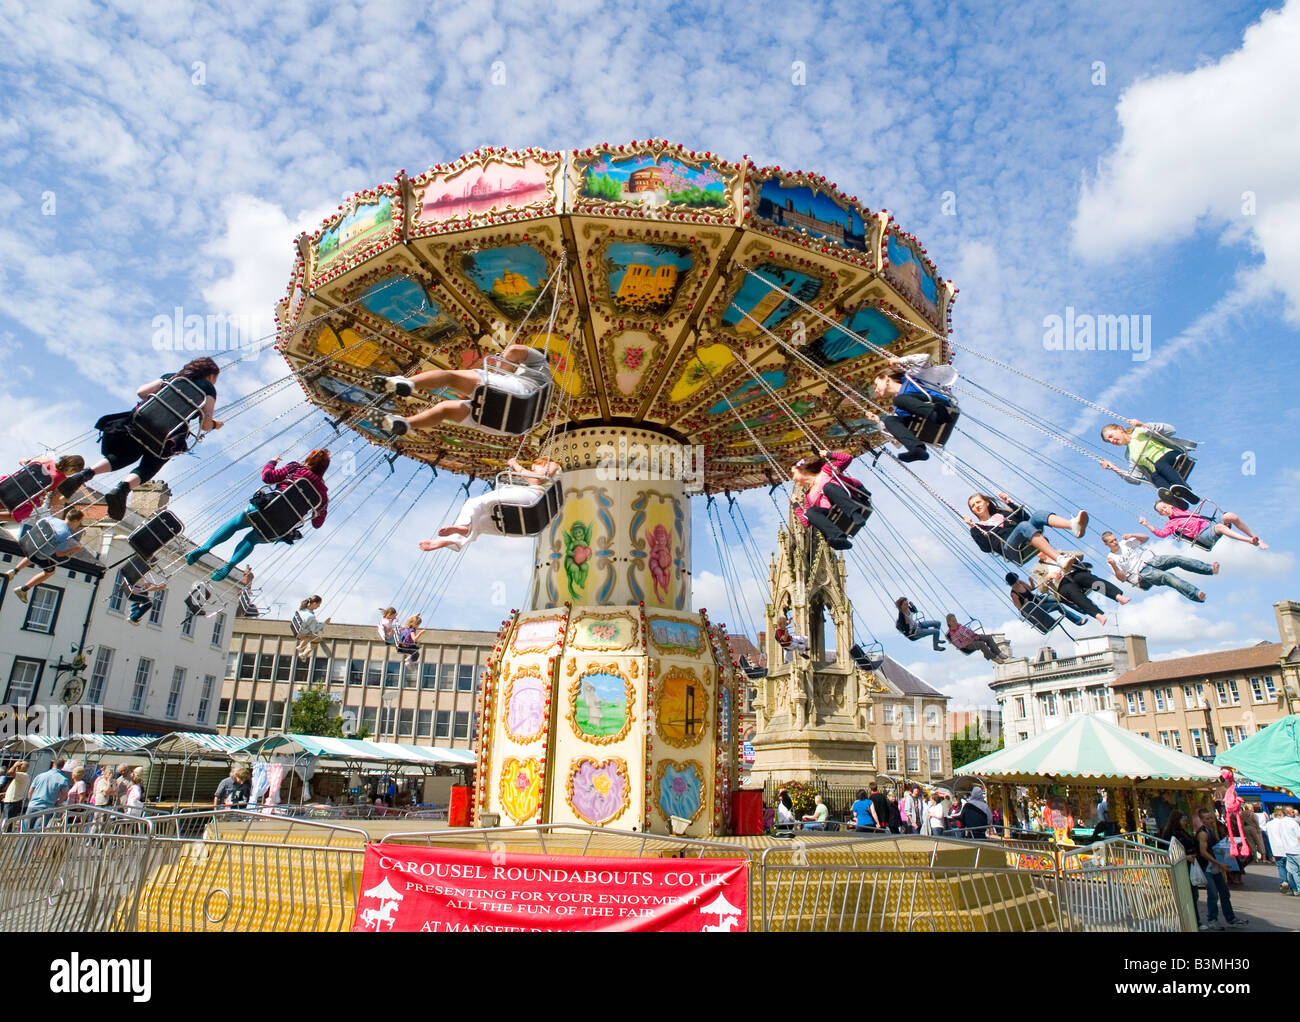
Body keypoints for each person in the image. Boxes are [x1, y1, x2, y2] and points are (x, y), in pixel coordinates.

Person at [58, 357, 224, 521]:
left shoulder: (174, 376)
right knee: (150, 465)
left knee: (124, 456)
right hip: (166, 436)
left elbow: (142, 392)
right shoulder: (208, 390)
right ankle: (123, 488)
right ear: (211, 375)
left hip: (139, 422)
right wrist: (215, 425)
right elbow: (205, 424)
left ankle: (86, 473)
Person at [186, 450, 330, 582]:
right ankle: (230, 564)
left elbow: (267, 477)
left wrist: (272, 462)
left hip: (265, 508)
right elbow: (317, 523)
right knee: (252, 539)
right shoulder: (323, 495)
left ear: (309, 459)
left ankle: (206, 546)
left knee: (237, 522)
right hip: (278, 528)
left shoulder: (296, 468)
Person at [376, 344, 553, 437]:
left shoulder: (540, 362)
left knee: (449, 377)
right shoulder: (543, 378)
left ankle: (408, 383)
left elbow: (515, 350)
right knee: (445, 410)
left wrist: (502, 365)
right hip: (511, 427)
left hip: (518, 392)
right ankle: (406, 424)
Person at [418, 457, 562, 551]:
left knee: (475, 503)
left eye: (533, 467)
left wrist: (515, 465)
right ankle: (449, 542)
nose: (532, 470)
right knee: (479, 524)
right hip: (531, 522)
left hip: (533, 497)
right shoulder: (550, 475)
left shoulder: (553, 465)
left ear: (542, 463)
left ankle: (464, 526)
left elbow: (536, 480)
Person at [865, 353, 959, 462]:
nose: (876, 390)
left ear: (886, 379)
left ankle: (936, 415)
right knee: (890, 420)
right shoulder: (898, 407)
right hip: (926, 420)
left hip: (940, 406)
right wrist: (877, 421)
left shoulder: (912, 378)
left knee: (900, 399)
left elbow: (924, 358)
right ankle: (917, 450)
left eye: (876, 384)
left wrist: (900, 361)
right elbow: (896, 441)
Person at [965, 492, 1087, 565]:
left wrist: (1010, 503)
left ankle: (1073, 526)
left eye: (978, 502)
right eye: (973, 506)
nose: (977, 506)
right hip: (1010, 548)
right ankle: (1058, 559)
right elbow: (986, 548)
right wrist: (973, 528)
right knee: (1023, 526)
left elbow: (1025, 518)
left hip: (1024, 535)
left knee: (1038, 515)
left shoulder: (1001, 513)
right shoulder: (979, 528)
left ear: (986, 502)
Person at [1098, 420, 1198, 507]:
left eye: (1111, 436)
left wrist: (1143, 425)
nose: (1112, 440)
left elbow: (1171, 429)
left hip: (1173, 457)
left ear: (1120, 429)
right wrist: (1114, 468)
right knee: (1155, 477)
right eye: (1109, 441)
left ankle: (1184, 488)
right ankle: (1177, 499)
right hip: (1161, 470)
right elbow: (1135, 479)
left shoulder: (1140, 431)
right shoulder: (1129, 455)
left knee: (1159, 465)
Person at [1102, 530, 1217, 604]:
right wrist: (1114, 566)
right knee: (1167, 577)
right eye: (1111, 542)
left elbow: (1145, 538)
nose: (1115, 542)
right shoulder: (1112, 558)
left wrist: (1132, 535)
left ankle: (1209, 569)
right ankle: (1196, 595)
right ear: (1106, 544)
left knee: (1176, 558)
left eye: (1115, 539)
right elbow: (1122, 579)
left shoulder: (1124, 543)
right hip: (1140, 575)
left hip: (1150, 561)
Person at [789, 450, 869, 550]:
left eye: (793, 473)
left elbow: (847, 458)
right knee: (810, 511)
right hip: (835, 514)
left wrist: (829, 454)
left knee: (828, 487)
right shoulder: (808, 496)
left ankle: (855, 514)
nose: (792, 478)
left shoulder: (825, 471)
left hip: (850, 501)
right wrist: (796, 505)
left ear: (802, 470)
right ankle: (838, 537)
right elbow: (806, 522)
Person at [4, 508, 86, 601]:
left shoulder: (52, 519)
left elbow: (38, 522)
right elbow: (59, 554)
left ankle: (14, 571)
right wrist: (74, 549)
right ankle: (23, 589)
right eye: (79, 522)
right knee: (50, 572)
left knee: (35, 552)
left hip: (28, 543)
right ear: (75, 521)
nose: (79, 525)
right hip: (40, 555)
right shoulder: (65, 534)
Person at [1032, 552, 1130, 625]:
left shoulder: (1058, 553)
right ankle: (1097, 615)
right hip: (1061, 583)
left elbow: (1080, 555)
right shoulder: (1038, 568)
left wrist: (1071, 556)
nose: (1038, 554)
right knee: (1073, 593)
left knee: (1090, 579)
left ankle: (1117, 596)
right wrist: (1049, 577)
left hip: (1073, 573)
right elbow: (1042, 589)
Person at [1140, 503, 1267, 551]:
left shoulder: (1180, 508)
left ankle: (1256, 538)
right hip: (1204, 534)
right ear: (1161, 514)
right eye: (1162, 511)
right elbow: (1161, 534)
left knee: (1230, 516)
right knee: (1220, 527)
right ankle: (1249, 541)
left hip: (1209, 522)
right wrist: (1147, 524)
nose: (1165, 510)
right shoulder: (1171, 524)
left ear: (1169, 505)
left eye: (1164, 507)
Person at [1196, 808, 1246, 928]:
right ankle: (1212, 919)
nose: (1210, 821)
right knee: (1213, 894)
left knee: (1224, 892)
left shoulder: (1211, 831)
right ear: (1202, 820)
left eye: (1211, 818)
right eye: (1207, 819)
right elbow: (1203, 852)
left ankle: (1230, 917)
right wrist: (1220, 864)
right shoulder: (1203, 833)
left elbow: (1216, 848)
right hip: (1207, 867)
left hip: (1215, 866)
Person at [0, 454, 84, 523]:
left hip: (6, 484)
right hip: (21, 500)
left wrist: (27, 461)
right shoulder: (62, 480)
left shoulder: (45, 460)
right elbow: (53, 502)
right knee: (22, 514)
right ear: (73, 470)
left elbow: (21, 461)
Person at [1160, 811, 1202, 926]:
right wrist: (1185, 857)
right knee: (1188, 895)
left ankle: (1193, 920)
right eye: (1183, 820)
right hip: (1181, 866)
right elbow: (1168, 852)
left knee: (1193, 894)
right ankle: (1191, 921)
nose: (1184, 823)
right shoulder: (1170, 834)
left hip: (1190, 864)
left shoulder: (1182, 832)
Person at [1006, 573, 1088, 627]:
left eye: (1017, 580)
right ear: (1011, 584)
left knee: (1059, 597)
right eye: (1015, 582)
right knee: (1057, 606)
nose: (1017, 582)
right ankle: (1078, 621)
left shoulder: (1020, 583)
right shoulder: (1013, 594)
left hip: (1038, 599)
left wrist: (1031, 581)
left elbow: (1031, 588)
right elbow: (1020, 609)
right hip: (1037, 607)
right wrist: (1025, 602)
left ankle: (1082, 609)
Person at [1263, 806, 1300, 895]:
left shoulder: (1272, 823)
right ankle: (1295, 888)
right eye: (1292, 812)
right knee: (1293, 871)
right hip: (1292, 848)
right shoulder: (1291, 823)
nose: (1293, 814)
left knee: (1286, 869)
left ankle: (1287, 884)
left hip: (1281, 849)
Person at [294, 595, 331, 660]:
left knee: (310, 632)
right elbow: (314, 629)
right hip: (302, 634)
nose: (319, 606)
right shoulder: (311, 616)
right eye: (318, 604)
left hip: (295, 630)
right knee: (317, 638)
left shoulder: (301, 610)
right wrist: (325, 623)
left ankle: (300, 646)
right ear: (314, 603)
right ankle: (304, 654)